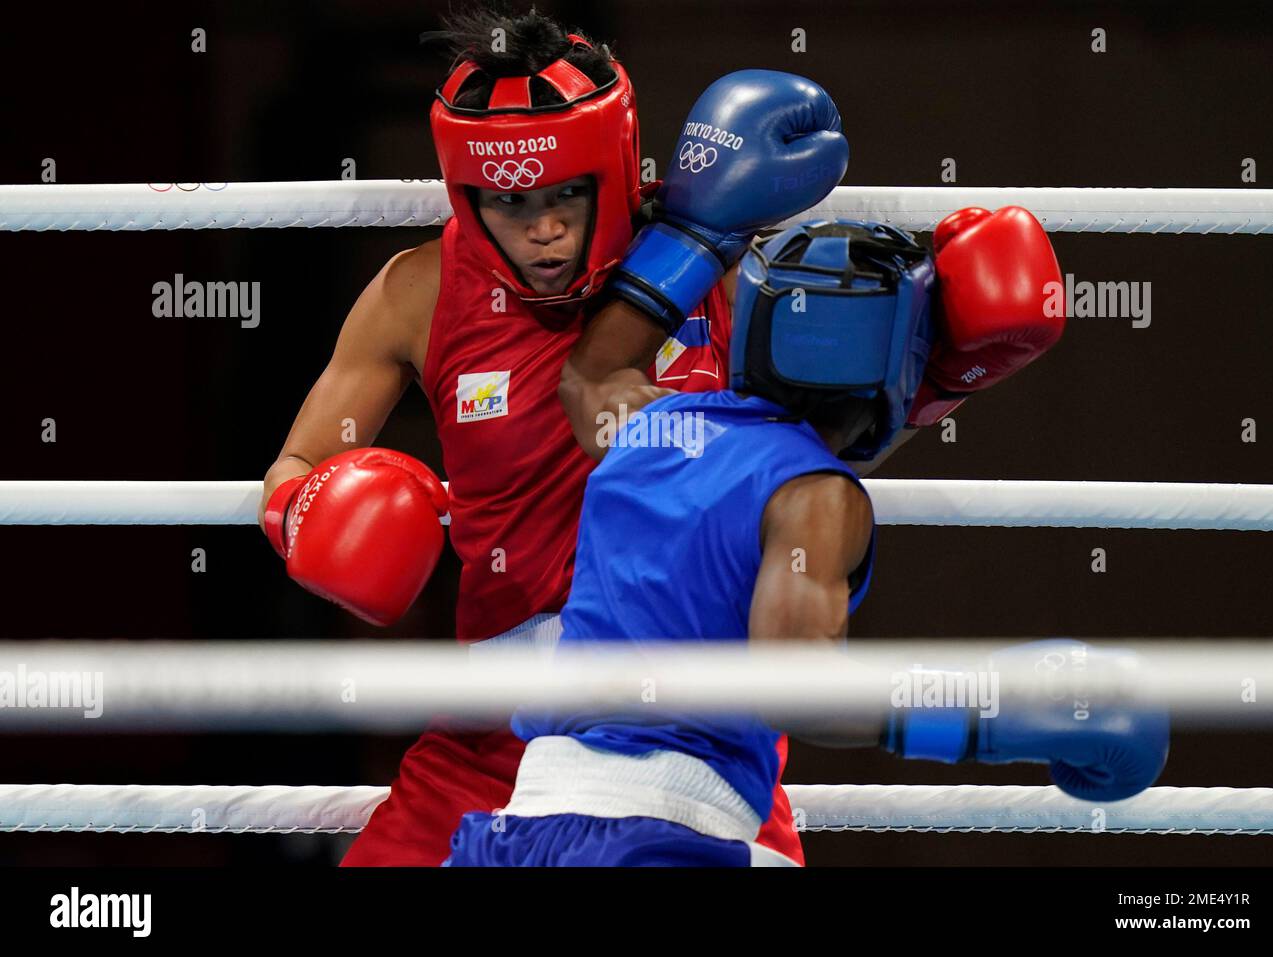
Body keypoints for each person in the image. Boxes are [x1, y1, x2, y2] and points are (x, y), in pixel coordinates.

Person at [258, 9, 846, 865]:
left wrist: (951, 353)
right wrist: (311, 519)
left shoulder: (715, 271)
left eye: (565, 194)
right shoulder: (418, 295)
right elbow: (298, 462)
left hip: (693, 739)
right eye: (510, 201)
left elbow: (838, 440)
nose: (542, 229)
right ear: (469, 193)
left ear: (610, 169)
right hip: (487, 740)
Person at [443, 219, 1169, 866]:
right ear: (900, 360)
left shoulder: (645, 425)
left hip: (516, 828)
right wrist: (992, 710)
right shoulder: (815, 494)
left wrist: (700, 229)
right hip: (664, 836)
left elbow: (593, 374)